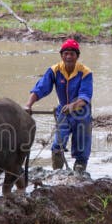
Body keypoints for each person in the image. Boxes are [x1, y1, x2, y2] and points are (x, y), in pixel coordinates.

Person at [25, 38, 93, 173]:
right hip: (63, 111)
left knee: (82, 145)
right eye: (65, 53)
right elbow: (41, 88)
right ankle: (57, 172)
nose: (68, 57)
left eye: (72, 54)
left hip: (81, 113)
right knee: (57, 145)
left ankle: (79, 171)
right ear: (61, 55)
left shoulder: (85, 72)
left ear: (77, 56)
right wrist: (28, 105)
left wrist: (73, 106)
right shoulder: (54, 70)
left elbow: (85, 96)